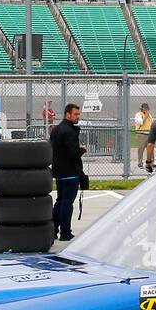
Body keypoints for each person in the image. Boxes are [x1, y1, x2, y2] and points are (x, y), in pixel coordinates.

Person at [50, 103, 87, 242]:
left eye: (78, 114)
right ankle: (65, 232)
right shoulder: (69, 131)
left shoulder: (56, 130)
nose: (78, 116)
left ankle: (53, 230)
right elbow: (73, 153)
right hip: (70, 172)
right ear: (68, 114)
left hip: (59, 171)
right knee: (67, 202)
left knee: (60, 201)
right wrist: (82, 150)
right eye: (76, 114)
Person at [132, 102, 152, 167]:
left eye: (147, 108)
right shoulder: (138, 115)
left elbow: (151, 123)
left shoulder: (149, 115)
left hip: (149, 134)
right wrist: (146, 116)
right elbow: (141, 122)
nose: (146, 110)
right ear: (142, 108)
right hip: (141, 134)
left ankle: (151, 162)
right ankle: (140, 162)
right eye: (145, 108)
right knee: (141, 149)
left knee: (150, 149)